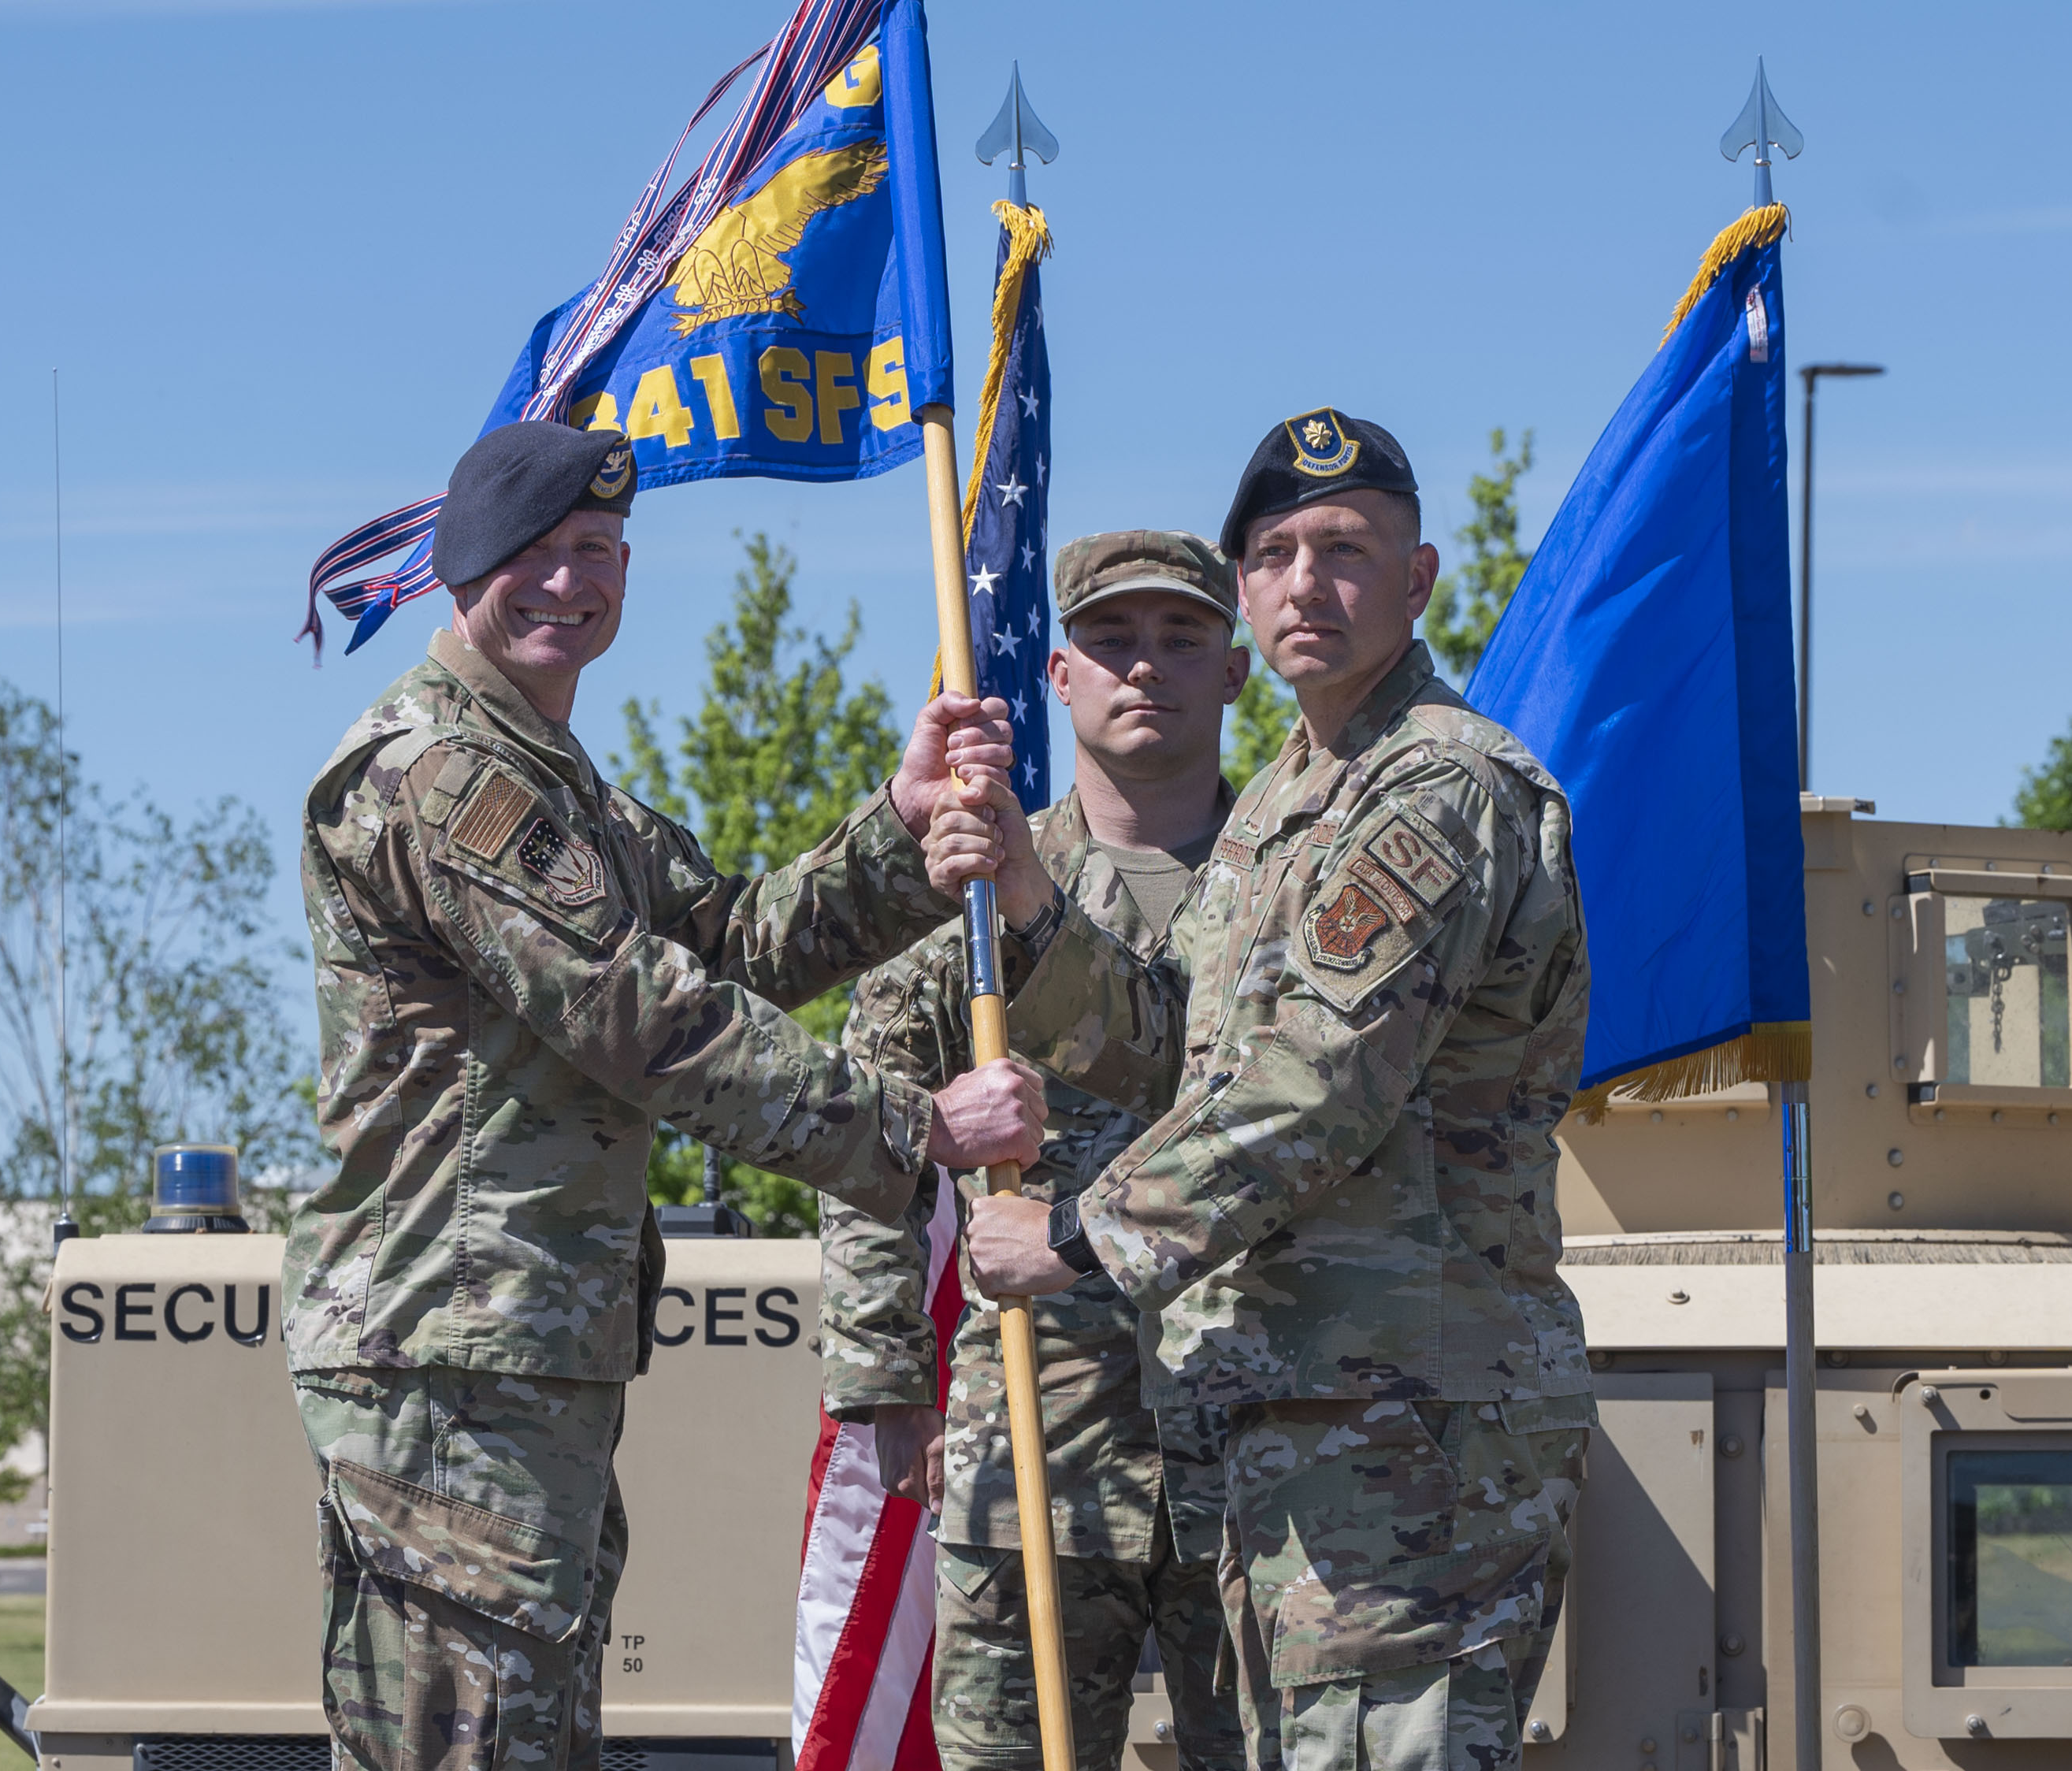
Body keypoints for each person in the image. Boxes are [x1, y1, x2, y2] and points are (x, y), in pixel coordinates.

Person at [287, 420, 1052, 1771]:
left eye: (597, 554)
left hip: (524, 1352)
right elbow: (636, 1009)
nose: (569, 585)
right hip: (452, 1358)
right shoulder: (439, 772)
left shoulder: (565, 790)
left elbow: (734, 949)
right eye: (533, 555)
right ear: (465, 565)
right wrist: (910, 1131)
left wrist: (896, 823)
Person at [944, 410, 1595, 1771]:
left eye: (1349, 550)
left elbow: (1315, 1088)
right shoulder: (1284, 803)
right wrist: (1027, 897)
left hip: (1411, 1434)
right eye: (1279, 552)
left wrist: (1073, 1238)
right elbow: (1179, 1038)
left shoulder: (1438, 788)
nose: (1310, 583)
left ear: (1418, 583)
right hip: (1293, 1419)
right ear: (1246, 588)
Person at [820, 531, 1255, 1771]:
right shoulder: (970, 887)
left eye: (1182, 640)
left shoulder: (1290, 872)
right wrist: (882, 1376)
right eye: (1113, 642)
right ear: (1059, 677)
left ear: (1234, 673)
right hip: (1039, 1436)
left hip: (1266, 1433)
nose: (1146, 670)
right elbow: (870, 1125)